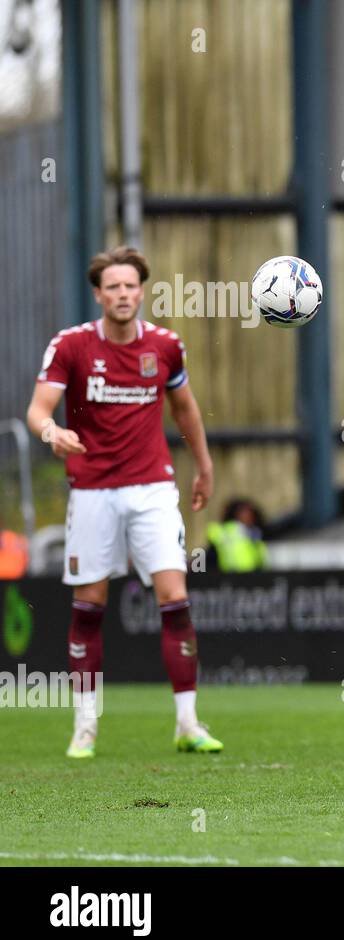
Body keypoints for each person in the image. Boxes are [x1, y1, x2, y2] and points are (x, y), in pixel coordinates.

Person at [25, 246, 221, 758]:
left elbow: (185, 410)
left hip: (152, 487)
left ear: (142, 290)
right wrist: (52, 431)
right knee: (89, 608)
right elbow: (38, 409)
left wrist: (203, 465)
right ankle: (85, 728)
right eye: (112, 287)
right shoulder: (71, 346)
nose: (122, 294)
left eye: (130, 286)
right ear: (98, 294)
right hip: (91, 491)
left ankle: (187, 723)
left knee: (175, 600)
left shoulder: (166, 346)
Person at [206, 498, 268, 572]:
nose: (249, 517)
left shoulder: (255, 534)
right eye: (245, 513)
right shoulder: (227, 532)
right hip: (230, 576)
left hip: (251, 577)